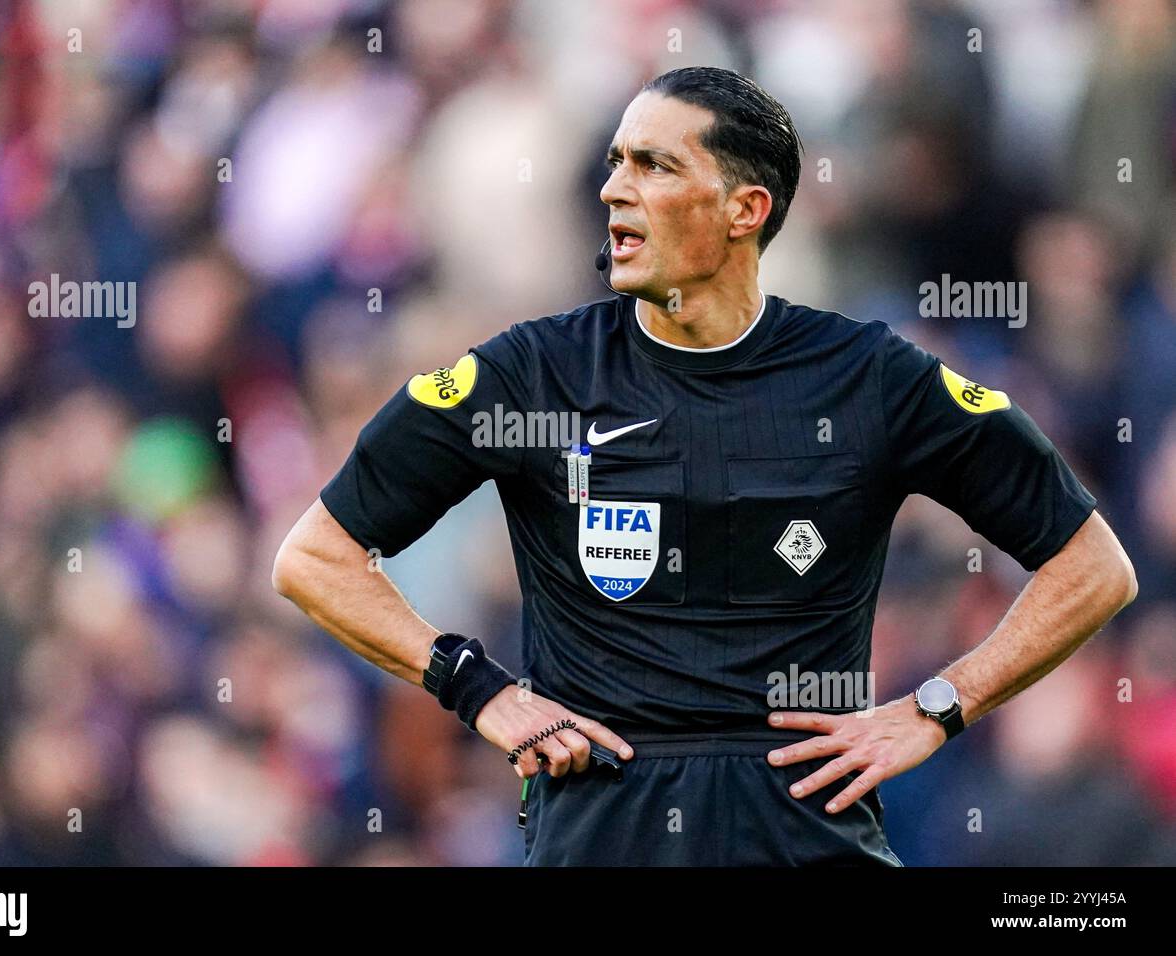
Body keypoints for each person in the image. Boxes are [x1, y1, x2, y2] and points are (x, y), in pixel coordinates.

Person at [272, 67, 1137, 865]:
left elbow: (1093, 565)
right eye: (615, 163)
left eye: (653, 165)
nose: (614, 189)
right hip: (603, 838)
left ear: (743, 209)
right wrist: (477, 687)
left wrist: (937, 708)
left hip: (804, 838)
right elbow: (315, 556)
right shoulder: (527, 376)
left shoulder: (872, 378)